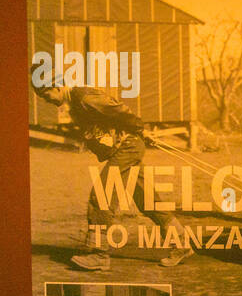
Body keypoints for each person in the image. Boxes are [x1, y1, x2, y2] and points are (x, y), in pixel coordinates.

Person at [31, 81, 193, 271]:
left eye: (46, 95)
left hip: (127, 148)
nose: (46, 100)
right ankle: (181, 244)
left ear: (56, 87)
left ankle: (97, 254)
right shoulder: (75, 102)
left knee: (101, 196)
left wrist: (140, 130)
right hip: (127, 148)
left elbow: (118, 110)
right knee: (147, 200)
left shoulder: (83, 97)